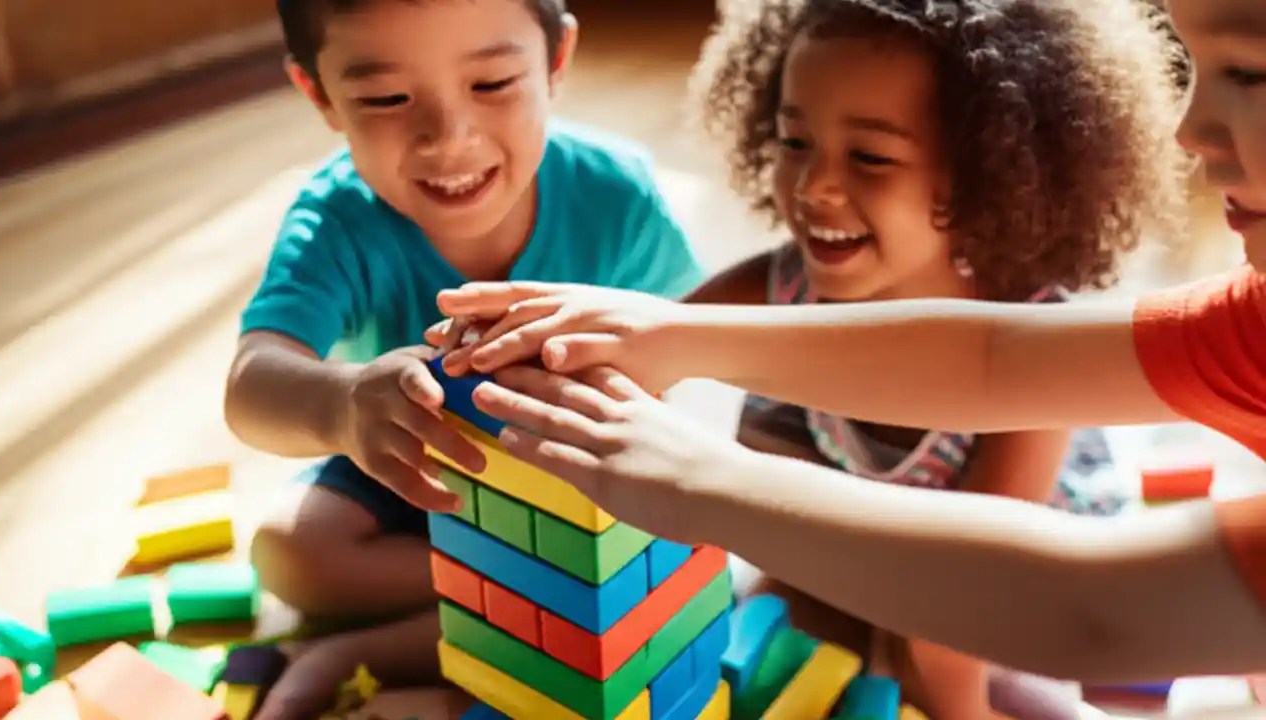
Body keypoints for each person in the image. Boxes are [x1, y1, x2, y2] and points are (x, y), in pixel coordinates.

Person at [429, 0, 1266, 684]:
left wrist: (701, 479)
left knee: (946, 656)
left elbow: (1042, 596)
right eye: (796, 143)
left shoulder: (1040, 327)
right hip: (871, 533)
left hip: (1005, 566)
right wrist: (588, 352)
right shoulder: (1246, 319)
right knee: (766, 625)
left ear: (988, 173)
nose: (1190, 133)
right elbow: (986, 359)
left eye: (1249, 71)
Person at [222, 0, 703, 715]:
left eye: (494, 82)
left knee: (691, 528)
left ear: (556, 62)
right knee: (287, 553)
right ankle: (518, 592)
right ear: (320, 95)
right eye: (386, 98)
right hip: (410, 465)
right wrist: (344, 405)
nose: (448, 137)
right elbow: (251, 382)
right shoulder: (335, 223)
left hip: (570, 478)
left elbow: (685, 351)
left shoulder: (616, 194)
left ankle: (421, 632)